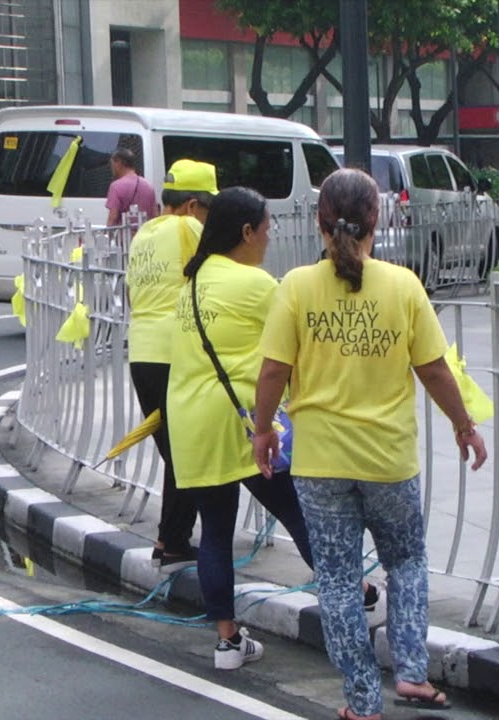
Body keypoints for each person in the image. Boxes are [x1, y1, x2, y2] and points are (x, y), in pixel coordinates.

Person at [251, 168, 488, 720]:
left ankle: (361, 701)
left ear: (320, 222)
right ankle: (411, 672)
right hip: (389, 460)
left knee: (337, 579)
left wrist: (263, 431)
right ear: (378, 219)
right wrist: (464, 425)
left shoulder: (296, 287)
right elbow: (433, 369)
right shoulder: (403, 286)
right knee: (406, 562)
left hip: (320, 463)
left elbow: (273, 371)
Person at [166, 186, 319, 670]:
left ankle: (227, 642)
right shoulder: (255, 285)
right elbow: (295, 348)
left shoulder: (191, 283)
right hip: (244, 422)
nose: (270, 239)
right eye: (267, 229)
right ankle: (356, 594)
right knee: (298, 511)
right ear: (247, 232)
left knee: (215, 531)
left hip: (190, 419)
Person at [125, 159, 219, 565]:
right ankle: (179, 541)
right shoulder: (190, 229)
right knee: (188, 450)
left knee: (177, 450)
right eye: (210, 209)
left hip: (141, 353)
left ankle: (171, 542)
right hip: (174, 354)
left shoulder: (143, 235)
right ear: (193, 205)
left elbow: (132, 295)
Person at [106, 147, 158, 226]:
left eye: (112, 164)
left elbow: (113, 217)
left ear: (119, 163)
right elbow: (155, 215)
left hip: (125, 233)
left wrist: (107, 231)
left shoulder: (115, 186)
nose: (112, 168)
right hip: (145, 232)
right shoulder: (148, 186)